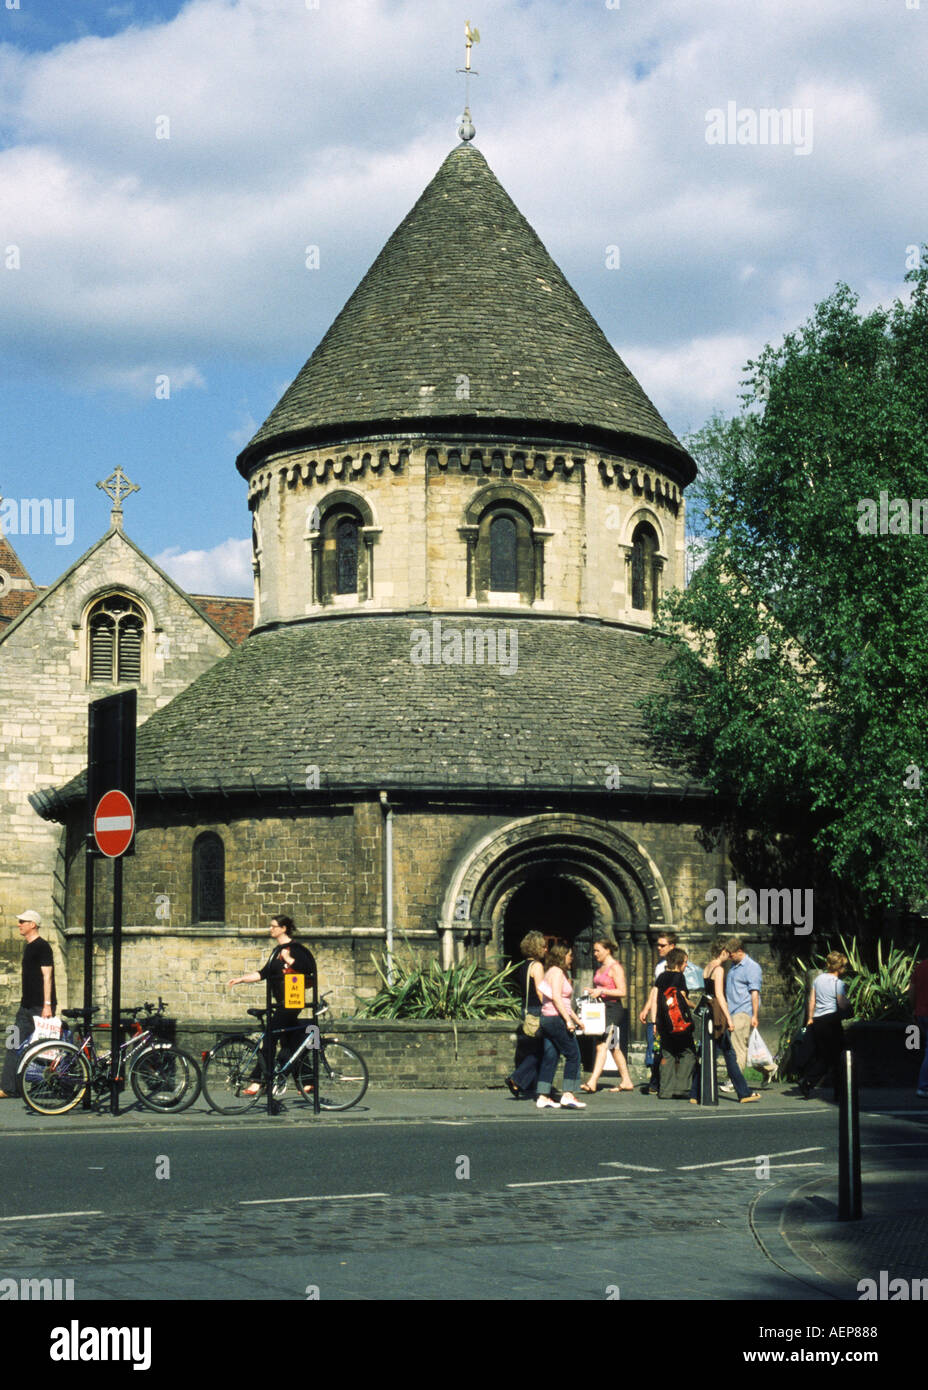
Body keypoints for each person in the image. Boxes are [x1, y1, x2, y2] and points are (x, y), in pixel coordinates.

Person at [228, 915, 317, 1094]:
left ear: (283, 928)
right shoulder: (277, 951)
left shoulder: (296, 949)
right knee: (291, 1042)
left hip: (292, 1002)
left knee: (269, 1038)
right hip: (281, 1003)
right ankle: (307, 1082)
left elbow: (308, 969)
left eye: (273, 926)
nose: (270, 929)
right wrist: (241, 979)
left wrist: (289, 959)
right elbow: (263, 973)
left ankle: (257, 1081)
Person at [0, 910, 57, 1099]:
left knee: (41, 1047)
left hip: (39, 1007)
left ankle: (34, 1087)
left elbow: (47, 976)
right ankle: (11, 1088)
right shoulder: (29, 946)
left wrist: (47, 1005)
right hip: (25, 1007)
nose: (19, 924)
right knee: (14, 1043)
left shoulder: (42, 947)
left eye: (23, 921)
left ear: (33, 924)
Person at [703, 938, 760, 1104]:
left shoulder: (707, 968)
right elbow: (720, 996)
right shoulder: (719, 969)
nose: (729, 956)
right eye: (727, 952)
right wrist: (728, 1019)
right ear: (723, 952)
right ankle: (743, 1092)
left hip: (708, 1012)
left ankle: (695, 1092)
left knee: (708, 1053)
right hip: (719, 1013)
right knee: (729, 1053)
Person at [535, 942, 586, 1110]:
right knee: (574, 1055)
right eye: (570, 955)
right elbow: (557, 998)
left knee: (551, 1056)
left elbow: (564, 1002)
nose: (572, 958)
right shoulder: (557, 972)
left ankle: (543, 1096)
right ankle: (568, 1094)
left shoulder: (552, 972)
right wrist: (568, 1021)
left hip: (548, 1018)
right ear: (562, 955)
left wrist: (576, 1020)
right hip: (556, 1018)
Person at [581, 937, 634, 1093]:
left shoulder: (615, 968)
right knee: (613, 1047)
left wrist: (602, 991)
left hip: (613, 1009)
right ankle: (627, 1081)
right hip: (601, 1009)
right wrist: (592, 992)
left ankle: (592, 1082)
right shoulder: (601, 968)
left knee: (602, 1045)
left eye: (598, 950)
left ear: (607, 950)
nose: (595, 953)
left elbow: (622, 991)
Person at [724, 936, 776, 1086]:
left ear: (739, 951)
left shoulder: (752, 967)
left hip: (743, 1011)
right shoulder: (734, 966)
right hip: (733, 1011)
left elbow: (755, 993)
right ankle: (770, 1068)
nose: (729, 956)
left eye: (731, 953)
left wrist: (754, 1015)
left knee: (737, 1048)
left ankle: (735, 1082)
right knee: (744, 1046)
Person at [799, 951, 849, 1099]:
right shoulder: (838, 984)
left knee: (824, 1055)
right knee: (835, 1057)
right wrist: (848, 1003)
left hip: (818, 1020)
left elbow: (812, 1000)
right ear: (840, 968)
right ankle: (809, 1081)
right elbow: (841, 1003)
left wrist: (810, 1018)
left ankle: (815, 1084)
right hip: (831, 1020)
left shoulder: (818, 979)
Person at [506, 931, 546, 1099]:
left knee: (532, 1049)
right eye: (544, 946)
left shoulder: (523, 966)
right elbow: (540, 991)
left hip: (526, 1009)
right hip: (536, 1010)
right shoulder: (537, 966)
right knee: (542, 1050)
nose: (546, 950)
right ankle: (517, 1079)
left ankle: (530, 1085)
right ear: (537, 948)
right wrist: (550, 1008)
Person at [655, 947, 697, 1099]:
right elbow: (683, 999)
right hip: (678, 1024)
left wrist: (655, 1022)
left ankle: (665, 1091)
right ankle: (680, 1088)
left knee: (668, 1054)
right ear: (679, 963)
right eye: (685, 962)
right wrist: (696, 1005)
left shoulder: (661, 977)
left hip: (663, 1023)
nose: (686, 965)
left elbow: (655, 999)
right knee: (689, 1053)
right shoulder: (679, 978)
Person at [639, 931, 677, 1094]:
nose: (658, 948)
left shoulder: (678, 964)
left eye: (663, 945)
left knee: (668, 1048)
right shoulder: (660, 966)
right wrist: (647, 1009)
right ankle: (655, 1083)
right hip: (660, 1011)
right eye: (658, 945)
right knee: (657, 1047)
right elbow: (656, 990)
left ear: (672, 946)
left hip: (672, 1011)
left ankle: (664, 1082)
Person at [910, 953, 928, 1100]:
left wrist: (914, 1009)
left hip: (921, 1013)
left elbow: (912, 991)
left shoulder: (920, 967)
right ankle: (923, 1086)